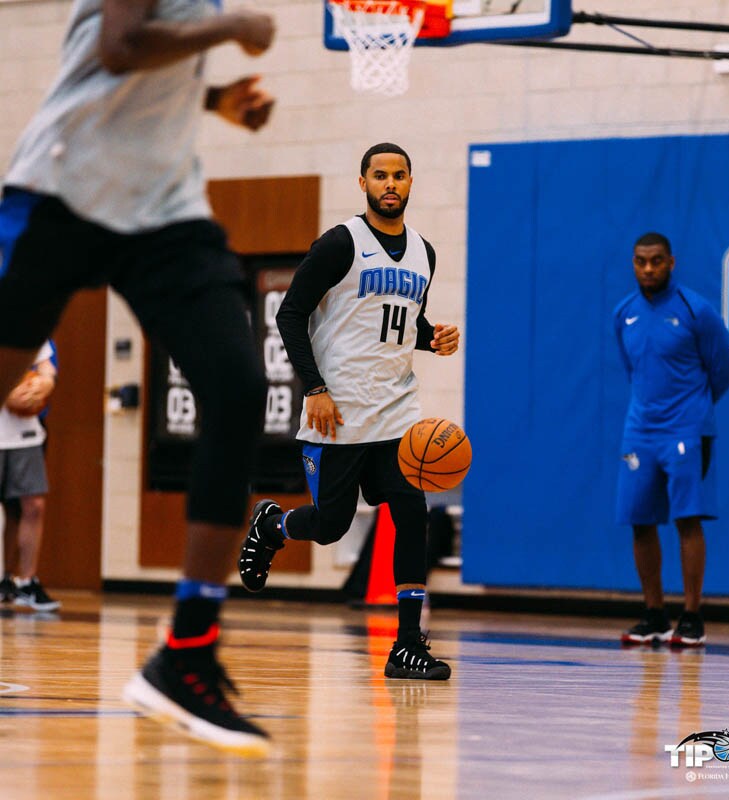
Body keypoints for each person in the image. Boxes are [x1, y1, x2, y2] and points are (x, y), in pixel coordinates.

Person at [0, 0, 278, 755]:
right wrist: (229, 32)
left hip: (162, 211)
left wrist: (215, 98)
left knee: (238, 387)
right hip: (64, 191)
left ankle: (187, 653)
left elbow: (146, 74)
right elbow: (120, 49)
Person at [238, 142, 460, 680]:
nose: (390, 184)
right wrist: (313, 388)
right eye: (380, 175)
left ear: (411, 183)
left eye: (400, 175)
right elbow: (290, 316)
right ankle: (273, 524)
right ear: (362, 183)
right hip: (336, 412)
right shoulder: (341, 244)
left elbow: (398, 324)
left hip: (397, 411)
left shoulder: (424, 253)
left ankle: (408, 643)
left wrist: (434, 338)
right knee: (331, 526)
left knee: (413, 515)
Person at [614, 232, 729, 647]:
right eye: (641, 261)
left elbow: (722, 374)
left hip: (686, 429)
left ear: (671, 262)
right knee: (639, 521)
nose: (649, 268)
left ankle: (692, 616)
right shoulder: (623, 313)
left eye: (657, 261)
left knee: (688, 519)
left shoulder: (696, 311)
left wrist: (690, 411)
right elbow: (635, 370)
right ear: (633, 264)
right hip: (639, 431)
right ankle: (654, 614)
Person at [0, 341, 59, 611]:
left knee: (34, 504)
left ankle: (25, 582)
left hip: (24, 432)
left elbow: (47, 366)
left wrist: (45, 383)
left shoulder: (25, 315)